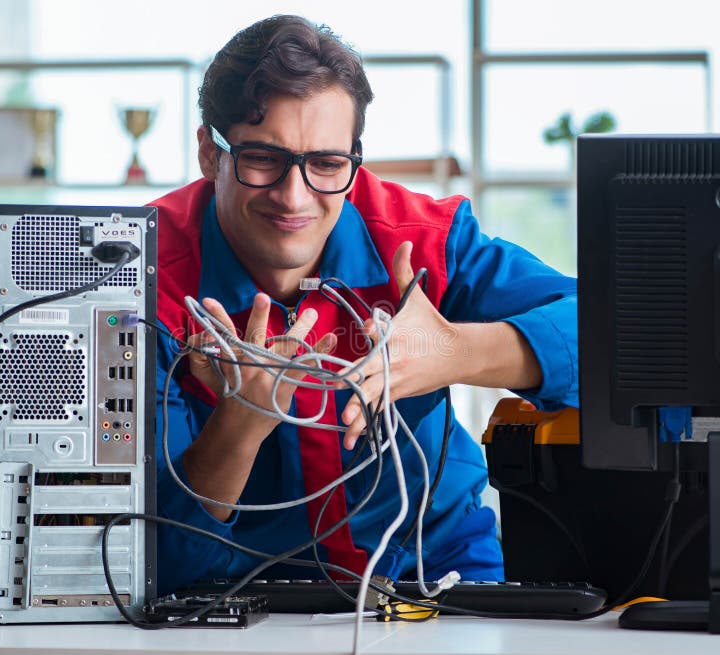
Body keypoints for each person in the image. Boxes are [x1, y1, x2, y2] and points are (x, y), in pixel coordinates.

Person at [151, 14, 577, 594]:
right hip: (232, 600)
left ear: (354, 162)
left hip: (437, 578)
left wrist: (456, 352)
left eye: (326, 164)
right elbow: (152, 559)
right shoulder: (139, 275)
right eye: (262, 158)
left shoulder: (423, 241)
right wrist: (239, 429)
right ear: (210, 153)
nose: (294, 196)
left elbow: (615, 331)